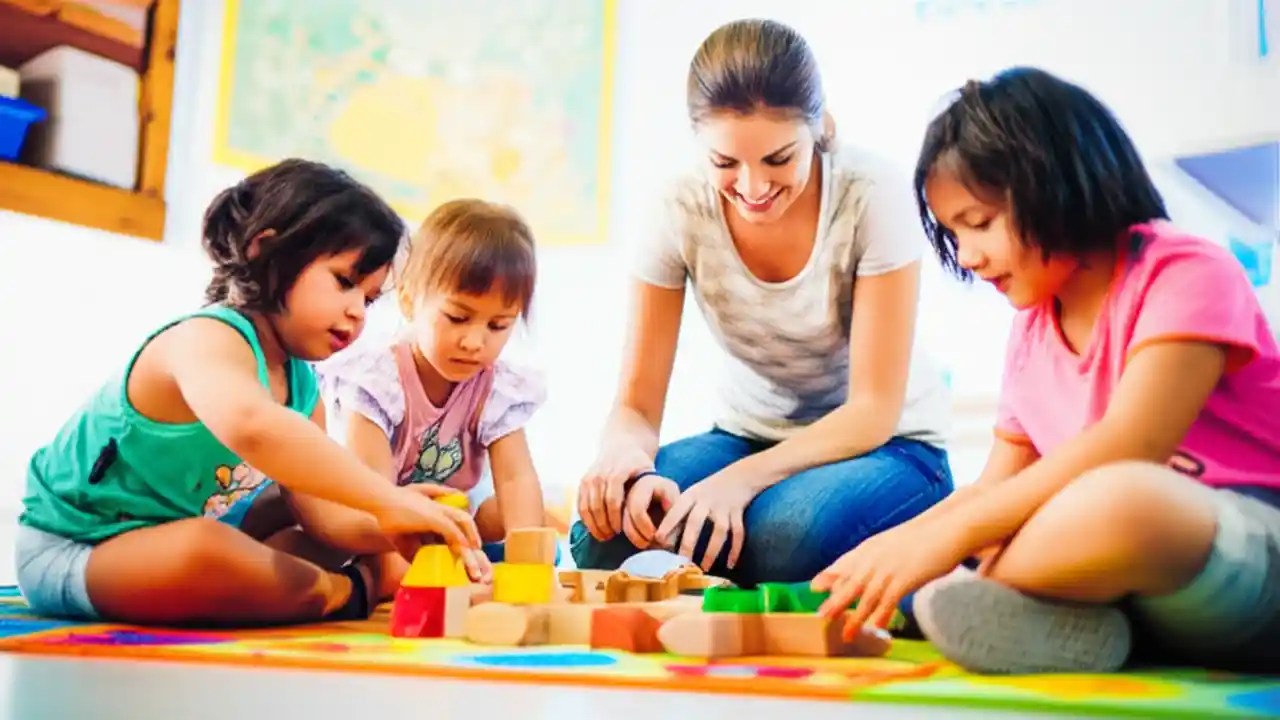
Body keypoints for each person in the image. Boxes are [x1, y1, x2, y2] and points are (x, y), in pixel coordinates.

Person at [813, 67, 1280, 675]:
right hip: (1138, 590)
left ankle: (978, 593)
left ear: (1055, 186)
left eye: (978, 223)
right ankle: (1093, 633)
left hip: (1237, 542)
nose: (967, 256)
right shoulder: (1032, 328)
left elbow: (1130, 444)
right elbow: (992, 489)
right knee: (945, 548)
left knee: (1120, 498)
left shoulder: (1185, 271)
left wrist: (941, 551)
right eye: (953, 233)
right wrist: (892, 549)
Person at [16, 159, 482, 626]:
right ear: (266, 252)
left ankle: (341, 579)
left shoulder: (301, 384)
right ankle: (350, 590)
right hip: (76, 550)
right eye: (344, 282)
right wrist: (387, 499)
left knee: (294, 527)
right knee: (205, 549)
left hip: (166, 541)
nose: (358, 310)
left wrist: (394, 521)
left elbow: (326, 517)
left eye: (369, 298)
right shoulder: (206, 338)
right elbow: (253, 427)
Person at [572, 18, 953, 585]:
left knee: (782, 539)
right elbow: (636, 406)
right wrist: (622, 461)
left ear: (821, 128)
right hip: (748, 433)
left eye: (778, 159)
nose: (752, 187)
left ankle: (908, 541)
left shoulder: (871, 194)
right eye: (725, 163)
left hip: (891, 446)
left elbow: (872, 411)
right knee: (603, 540)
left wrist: (739, 482)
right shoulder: (677, 208)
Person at [309, 198, 549, 584]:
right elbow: (374, 493)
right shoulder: (378, 379)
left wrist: (530, 570)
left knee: (531, 518)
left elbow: (516, 478)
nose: (474, 341)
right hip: (377, 521)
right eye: (457, 318)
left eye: (498, 325)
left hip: (447, 521)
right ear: (408, 300)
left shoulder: (497, 387)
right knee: (388, 565)